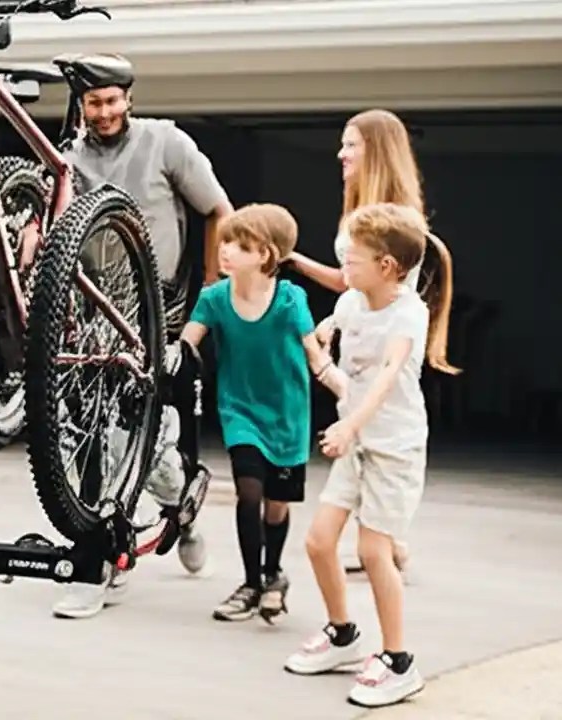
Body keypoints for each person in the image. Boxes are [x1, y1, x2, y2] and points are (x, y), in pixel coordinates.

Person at [46, 53, 235, 620]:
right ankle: (99, 561)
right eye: (92, 103)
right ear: (80, 106)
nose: (103, 112)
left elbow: (218, 209)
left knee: (148, 438)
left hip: (161, 312)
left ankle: (178, 506)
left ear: (129, 98)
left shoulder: (165, 142)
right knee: (88, 433)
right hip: (93, 311)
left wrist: (209, 286)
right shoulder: (69, 160)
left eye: (111, 100)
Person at [283, 202, 459, 708]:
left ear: (387, 266)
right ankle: (343, 637)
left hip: (393, 448)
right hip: (357, 442)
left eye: (352, 260)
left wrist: (347, 425)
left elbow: (385, 377)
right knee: (319, 542)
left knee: (373, 552)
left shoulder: (408, 313)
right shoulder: (353, 302)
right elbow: (331, 330)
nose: (343, 269)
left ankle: (399, 661)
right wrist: (319, 338)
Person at [284, 108, 437, 574]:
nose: (341, 153)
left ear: (377, 151)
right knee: (358, 436)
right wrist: (296, 262)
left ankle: (384, 542)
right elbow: (350, 282)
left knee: (376, 429)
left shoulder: (399, 218)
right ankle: (385, 541)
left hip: (381, 339)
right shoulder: (358, 209)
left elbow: (374, 291)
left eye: (351, 144)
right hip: (355, 331)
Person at [180, 203, 340, 624]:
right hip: (240, 411)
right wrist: (164, 366)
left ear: (265, 255)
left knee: (276, 505)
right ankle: (251, 584)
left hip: (288, 417)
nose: (225, 249)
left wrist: (346, 392)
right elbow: (185, 345)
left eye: (238, 244)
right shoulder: (214, 299)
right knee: (248, 491)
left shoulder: (291, 300)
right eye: (226, 240)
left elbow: (314, 354)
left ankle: (273, 575)